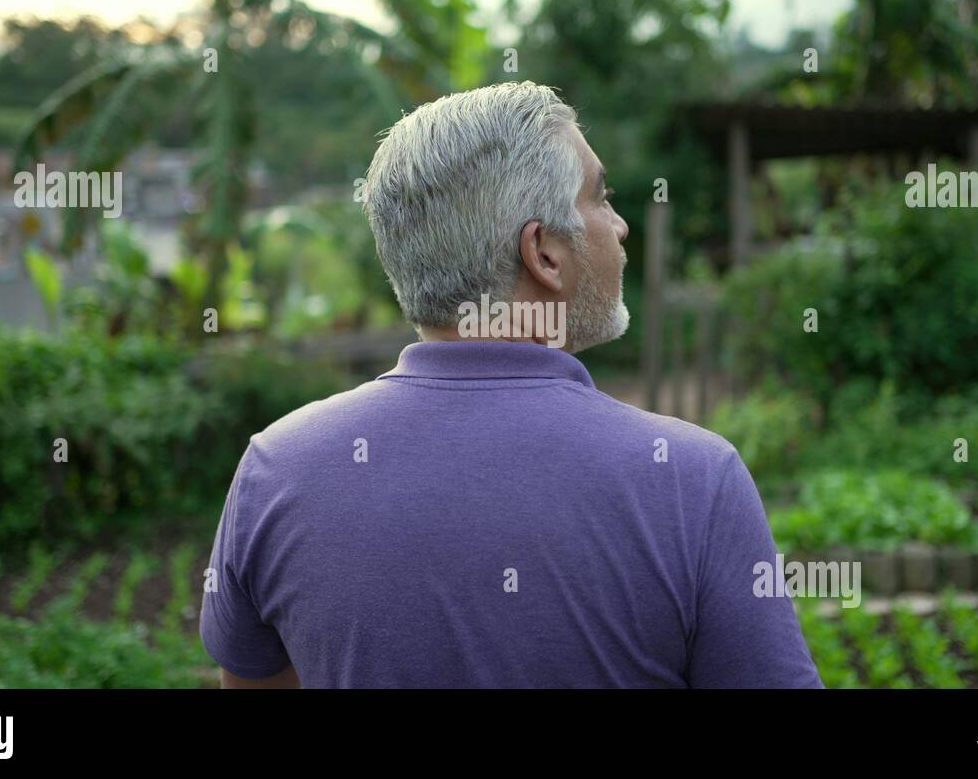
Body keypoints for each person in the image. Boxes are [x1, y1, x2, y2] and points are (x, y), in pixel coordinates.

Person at [199, 81, 822, 688]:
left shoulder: (277, 469)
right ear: (544, 253)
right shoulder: (692, 481)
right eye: (600, 197)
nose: (620, 225)